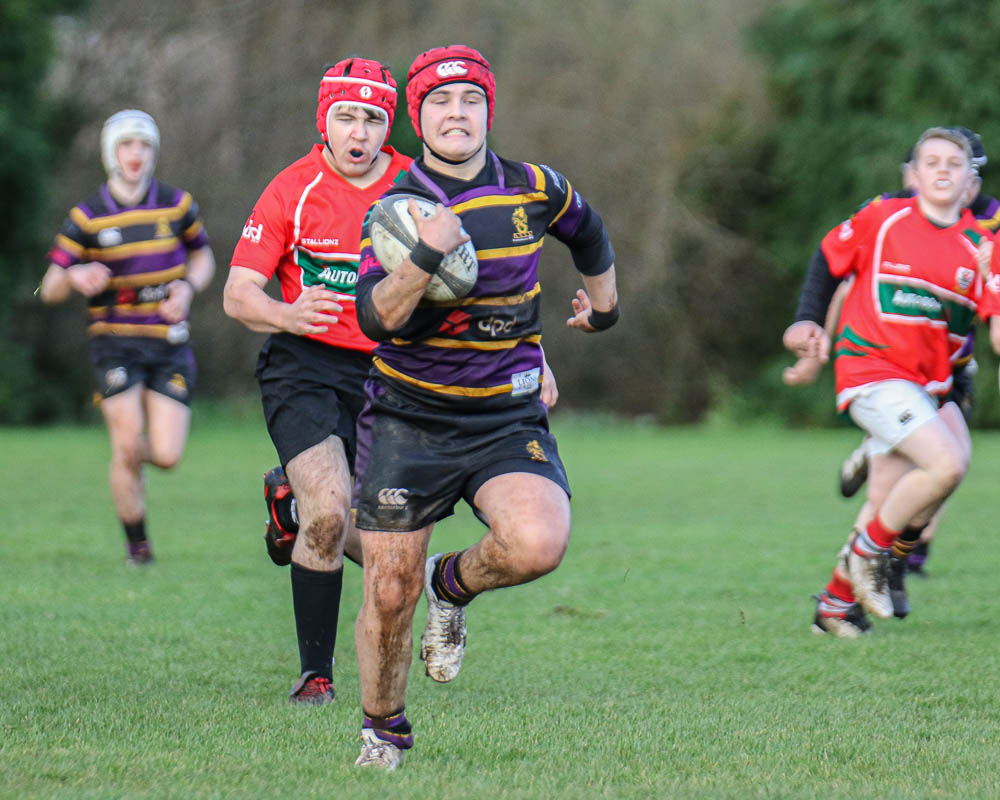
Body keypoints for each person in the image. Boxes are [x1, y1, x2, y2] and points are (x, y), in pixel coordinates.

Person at [349, 44, 620, 770]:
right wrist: (426, 254)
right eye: (439, 102)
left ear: (488, 110)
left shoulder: (534, 187)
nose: (456, 113)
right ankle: (383, 733)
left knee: (538, 545)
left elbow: (589, 230)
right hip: (409, 417)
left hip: (505, 416)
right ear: (417, 117)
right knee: (389, 590)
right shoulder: (395, 204)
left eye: (470, 100)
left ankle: (453, 582)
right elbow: (375, 318)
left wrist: (604, 310)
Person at [223, 58, 411, 705]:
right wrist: (287, 313)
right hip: (302, 365)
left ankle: (290, 504)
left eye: (374, 119)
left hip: (389, 373)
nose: (359, 132)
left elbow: (477, 278)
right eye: (346, 116)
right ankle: (316, 676)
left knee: (388, 543)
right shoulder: (292, 188)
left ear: (389, 126)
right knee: (329, 514)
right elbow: (238, 293)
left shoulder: (415, 188)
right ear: (323, 120)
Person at [784, 127, 1000, 638]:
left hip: (933, 383)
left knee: (911, 486)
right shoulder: (883, 216)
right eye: (932, 161)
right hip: (873, 370)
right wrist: (808, 322)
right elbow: (831, 262)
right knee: (944, 465)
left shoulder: (984, 245)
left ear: (971, 181)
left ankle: (836, 605)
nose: (943, 170)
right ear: (913, 174)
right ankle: (870, 556)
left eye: (955, 163)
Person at [39, 109, 215, 566]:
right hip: (114, 342)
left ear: (154, 151)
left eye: (144, 145)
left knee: (167, 454)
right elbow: (49, 287)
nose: (135, 154)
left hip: (169, 342)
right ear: (109, 153)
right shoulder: (87, 216)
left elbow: (204, 258)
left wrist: (187, 287)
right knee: (126, 441)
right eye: (126, 145)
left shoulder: (177, 204)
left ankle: (128, 464)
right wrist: (74, 276)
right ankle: (138, 548)